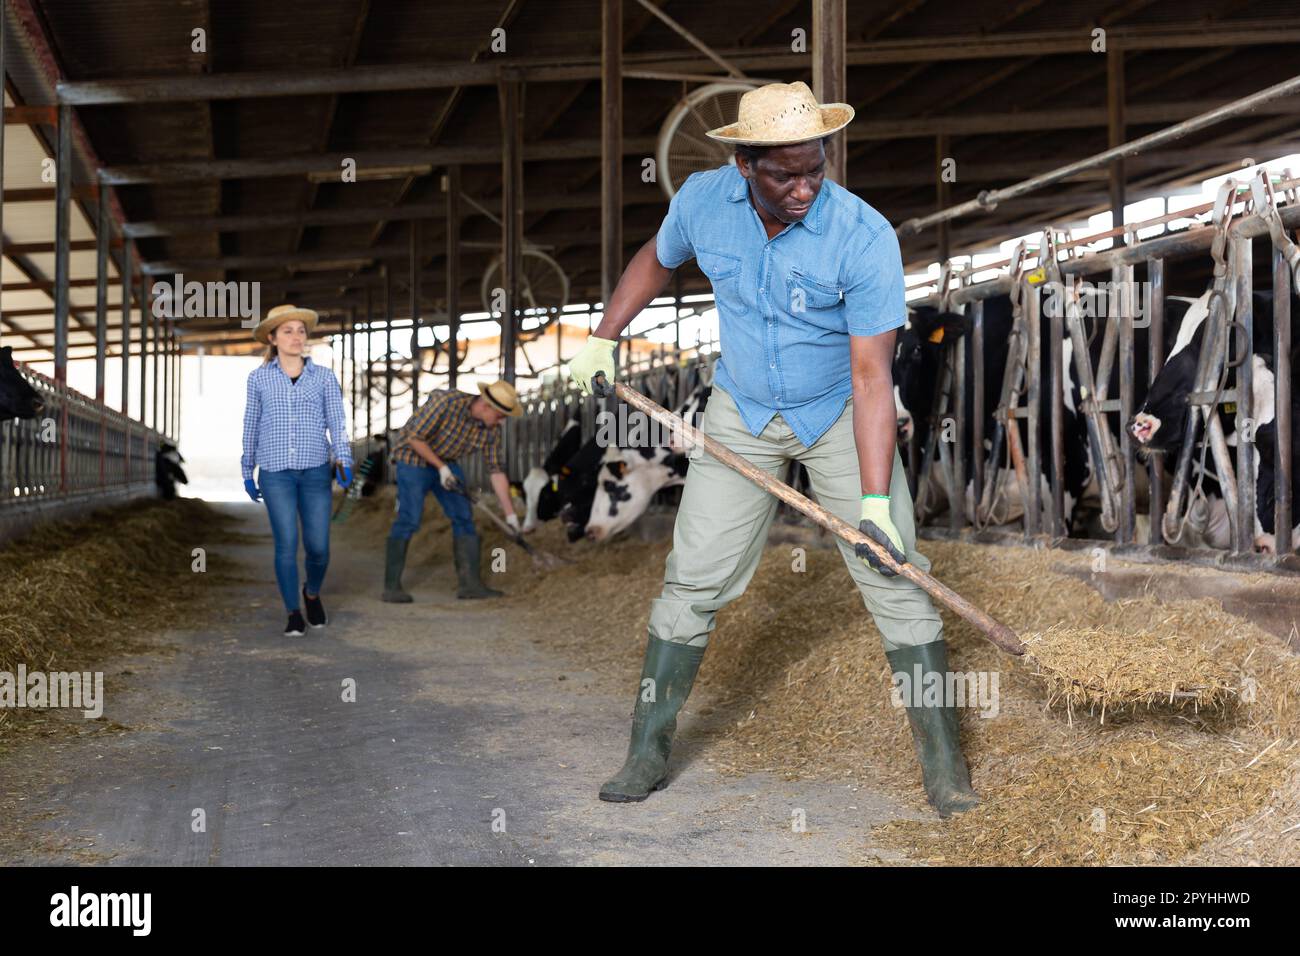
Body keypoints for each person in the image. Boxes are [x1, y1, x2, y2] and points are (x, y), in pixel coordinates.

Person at [569, 82, 979, 818]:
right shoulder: (701, 202)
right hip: (742, 413)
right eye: (784, 174)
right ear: (743, 166)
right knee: (692, 580)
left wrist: (878, 504)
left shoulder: (862, 235)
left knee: (895, 574)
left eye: (815, 169)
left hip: (838, 415)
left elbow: (871, 374)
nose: (804, 188)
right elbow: (657, 258)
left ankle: (946, 769)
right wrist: (604, 336)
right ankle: (646, 751)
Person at [241, 304, 353, 637]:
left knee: (319, 546)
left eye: (301, 330)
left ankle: (312, 592)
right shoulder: (259, 378)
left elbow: (336, 421)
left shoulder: (324, 377)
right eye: (287, 331)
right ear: (273, 338)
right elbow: (251, 424)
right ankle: (293, 612)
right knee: (286, 543)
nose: (296, 337)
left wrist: (343, 459)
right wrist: (248, 470)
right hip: (275, 473)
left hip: (316, 470)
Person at [382, 381, 523, 602]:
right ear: (486, 406)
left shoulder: (491, 430)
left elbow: (496, 471)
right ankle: (391, 587)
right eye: (501, 415)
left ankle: (470, 585)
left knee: (464, 516)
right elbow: (414, 438)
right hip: (412, 459)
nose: (502, 422)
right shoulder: (446, 402)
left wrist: (511, 515)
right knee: (410, 517)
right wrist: (442, 469)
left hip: (446, 462)